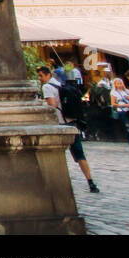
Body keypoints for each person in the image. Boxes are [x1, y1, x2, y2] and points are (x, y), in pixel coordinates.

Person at [38, 65, 99, 193]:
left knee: (55, 154)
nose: (40, 79)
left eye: (41, 76)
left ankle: (57, 185)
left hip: (59, 124)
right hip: (71, 123)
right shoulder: (60, 84)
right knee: (79, 154)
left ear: (48, 75)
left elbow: (52, 105)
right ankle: (90, 182)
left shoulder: (47, 87)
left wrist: (41, 105)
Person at [109, 77, 129, 150]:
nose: (120, 85)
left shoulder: (126, 90)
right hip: (122, 111)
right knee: (128, 128)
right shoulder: (114, 92)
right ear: (115, 85)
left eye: (121, 83)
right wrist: (124, 105)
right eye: (118, 84)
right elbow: (113, 104)